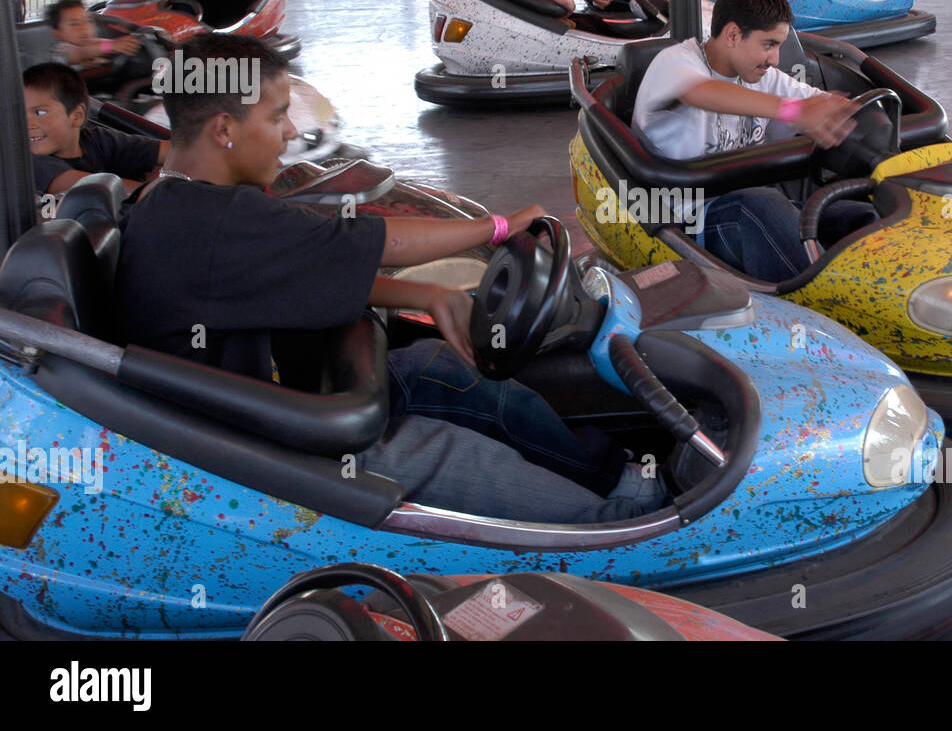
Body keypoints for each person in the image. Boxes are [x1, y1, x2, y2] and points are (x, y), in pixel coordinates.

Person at [112, 33, 666, 523]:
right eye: (276, 115)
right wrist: (500, 226)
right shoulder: (219, 219)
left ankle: (613, 474)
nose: (287, 134)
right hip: (267, 455)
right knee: (445, 450)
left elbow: (307, 267)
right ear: (225, 128)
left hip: (293, 397)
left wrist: (425, 294)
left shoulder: (170, 201)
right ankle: (618, 529)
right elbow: (379, 241)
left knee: (443, 369)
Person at [632, 0, 876, 283]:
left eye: (778, 46)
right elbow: (701, 92)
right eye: (769, 45)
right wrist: (795, 111)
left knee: (859, 216)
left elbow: (819, 103)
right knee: (762, 205)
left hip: (750, 209)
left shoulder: (765, 78)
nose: (774, 59)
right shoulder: (676, 62)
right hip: (685, 221)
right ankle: (818, 312)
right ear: (733, 34)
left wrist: (851, 114)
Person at [24, 62, 168, 196]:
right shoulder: (32, 163)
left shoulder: (98, 140)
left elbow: (171, 151)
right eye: (21, 115)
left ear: (77, 116)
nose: (27, 123)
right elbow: (99, 187)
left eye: (40, 113)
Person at [46, 0, 140, 70]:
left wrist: (130, 43)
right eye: (74, 24)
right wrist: (112, 46)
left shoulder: (94, 42)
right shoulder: (61, 50)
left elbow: (114, 44)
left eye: (87, 21)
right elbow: (81, 53)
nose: (84, 27)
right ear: (57, 33)